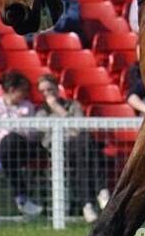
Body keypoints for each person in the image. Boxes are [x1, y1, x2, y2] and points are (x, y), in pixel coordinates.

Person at [34, 74, 109, 223]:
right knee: (86, 146)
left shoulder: (73, 105)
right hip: (56, 150)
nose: (47, 93)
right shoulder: (41, 111)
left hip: (79, 146)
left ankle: (87, 204)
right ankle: (101, 191)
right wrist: (58, 112)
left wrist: (59, 109)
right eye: (43, 91)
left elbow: (80, 128)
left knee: (84, 147)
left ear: (57, 88)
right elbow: (44, 135)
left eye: (50, 89)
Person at [0, 71, 45, 217]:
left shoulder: (27, 107)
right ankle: (22, 200)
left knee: (12, 140)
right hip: (0, 149)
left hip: (22, 147)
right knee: (10, 153)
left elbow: (31, 133)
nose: (25, 94)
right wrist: (5, 142)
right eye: (22, 91)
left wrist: (13, 136)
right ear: (11, 90)